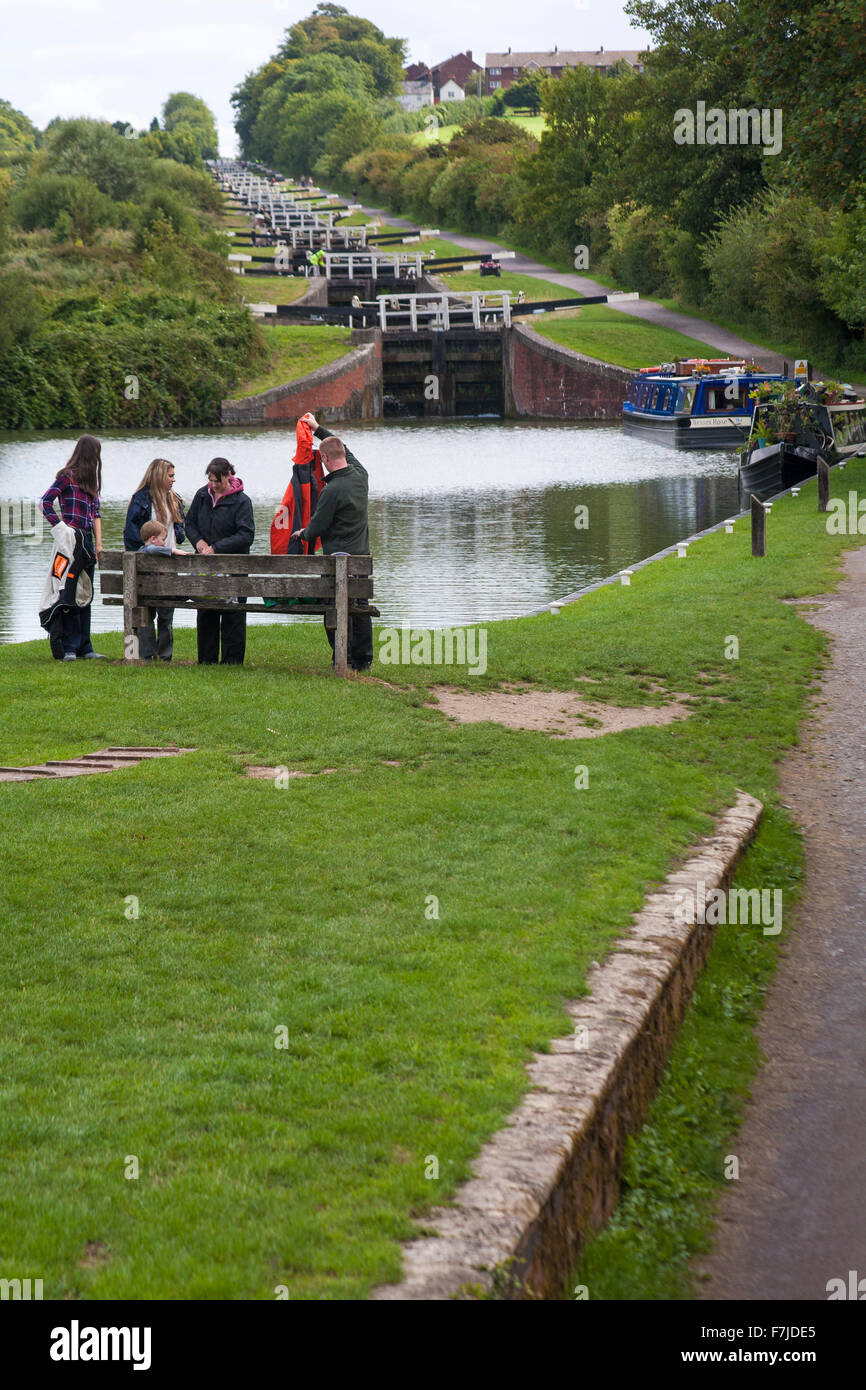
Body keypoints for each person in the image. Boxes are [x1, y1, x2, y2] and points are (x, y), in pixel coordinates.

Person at [292, 414, 373, 673]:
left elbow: (317, 527)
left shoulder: (331, 490)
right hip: (361, 559)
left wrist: (301, 534)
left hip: (338, 562)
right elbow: (343, 448)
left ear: (324, 460)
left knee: (335, 608)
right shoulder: (361, 476)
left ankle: (343, 657)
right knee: (359, 608)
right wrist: (318, 429)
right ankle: (363, 660)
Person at [40, 435, 105, 660]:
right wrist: (60, 527)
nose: (99, 459)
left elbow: (96, 514)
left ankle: (85, 647)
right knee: (66, 593)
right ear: (90, 454)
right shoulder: (66, 477)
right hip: (69, 542)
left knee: (86, 593)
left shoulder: (92, 482)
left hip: (86, 542)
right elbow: (45, 502)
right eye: (97, 453)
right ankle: (69, 647)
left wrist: (98, 544)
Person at [185, 458, 255, 666]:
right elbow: (190, 523)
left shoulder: (242, 501)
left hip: (234, 565)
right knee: (206, 608)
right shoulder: (201, 495)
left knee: (233, 613)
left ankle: (232, 661)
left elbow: (246, 535)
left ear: (228, 476)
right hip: (205, 563)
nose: (213, 485)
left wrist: (216, 548)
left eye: (217, 480)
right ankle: (206, 659)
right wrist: (199, 542)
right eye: (210, 480)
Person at [124, 458, 187, 662]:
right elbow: (132, 535)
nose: (174, 480)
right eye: (170, 476)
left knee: (167, 614)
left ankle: (165, 656)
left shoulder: (174, 499)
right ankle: (146, 655)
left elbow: (179, 531)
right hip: (148, 565)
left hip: (169, 563)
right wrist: (146, 554)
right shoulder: (142, 499)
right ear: (160, 476)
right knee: (146, 614)